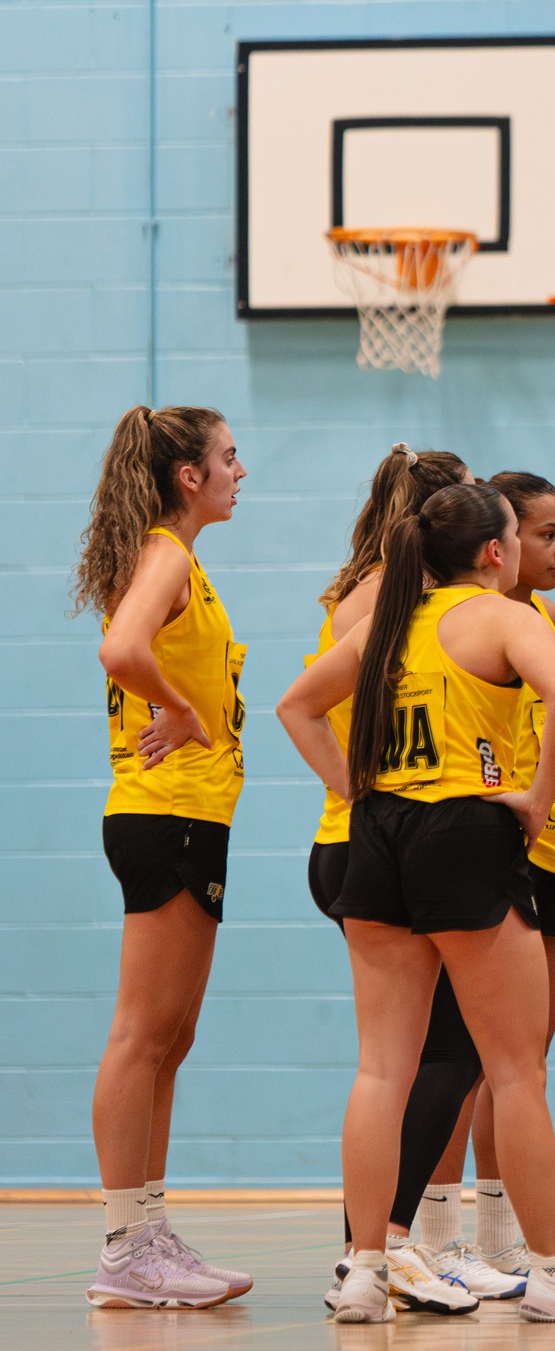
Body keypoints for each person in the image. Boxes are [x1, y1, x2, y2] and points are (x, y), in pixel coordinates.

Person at [275, 481, 555, 1324]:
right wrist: (535, 794)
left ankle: (366, 1266)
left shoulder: (381, 623)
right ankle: (554, 1268)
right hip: (461, 829)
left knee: (381, 1067)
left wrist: (356, 789)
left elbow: (295, 706)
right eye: (520, 535)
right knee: (517, 1068)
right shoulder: (510, 616)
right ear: (494, 551)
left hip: (376, 831)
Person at [302, 445, 497, 1313]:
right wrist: (356, 788)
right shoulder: (388, 594)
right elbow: (307, 702)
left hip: (380, 836)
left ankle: (387, 1247)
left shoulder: (378, 584)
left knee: (432, 1058)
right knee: (438, 1057)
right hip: (378, 838)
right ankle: (370, 1248)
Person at [77, 405, 252, 1309]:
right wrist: (181, 711)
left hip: (191, 815)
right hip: (164, 810)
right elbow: (121, 648)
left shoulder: (178, 558)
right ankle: (122, 1244)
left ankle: (146, 1228)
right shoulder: (168, 553)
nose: (239, 470)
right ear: (189, 474)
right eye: (228, 457)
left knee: (169, 1040)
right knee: (142, 1034)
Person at [437, 471, 555, 1285]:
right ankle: (433, 1229)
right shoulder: (464, 620)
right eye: (546, 534)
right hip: (486, 840)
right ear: (501, 544)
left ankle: (505, 1232)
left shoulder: (544, 615)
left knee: (523, 1057)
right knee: (465, 1057)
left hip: (554, 845)